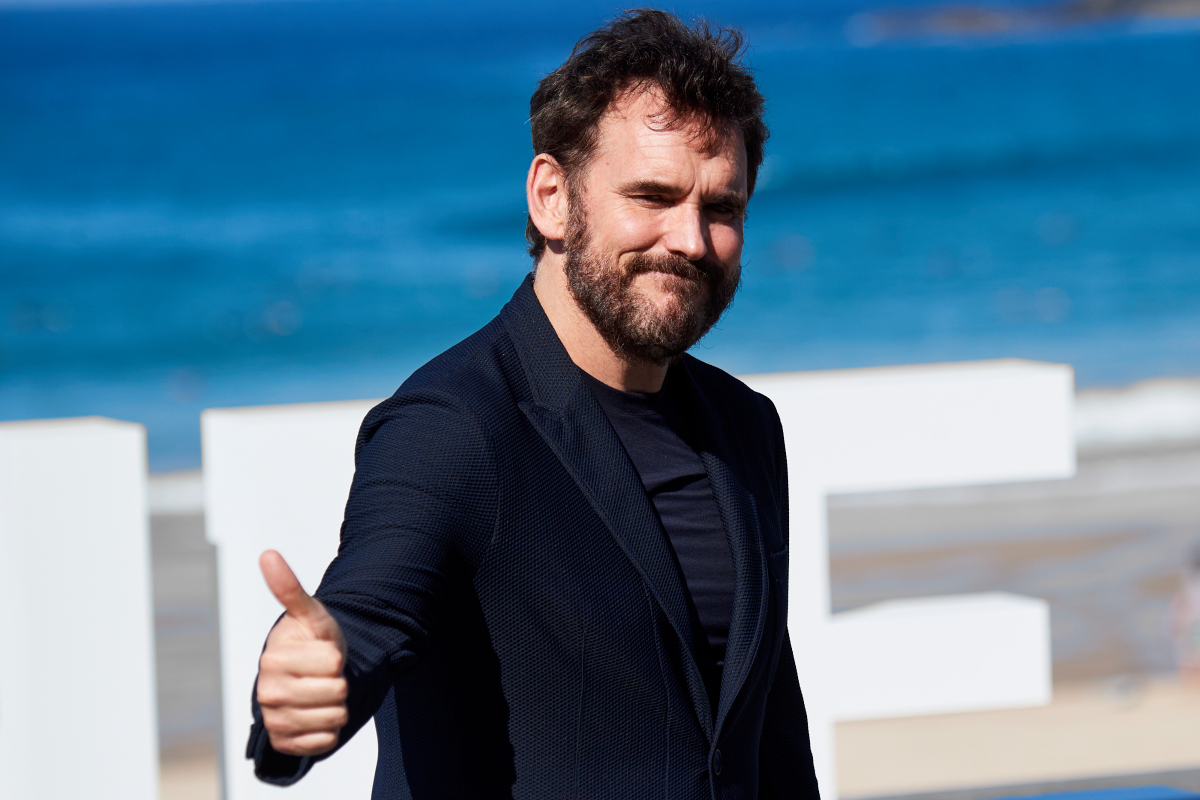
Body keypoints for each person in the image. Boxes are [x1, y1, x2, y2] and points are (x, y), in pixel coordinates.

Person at [250, 9, 820, 798]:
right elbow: (372, 601)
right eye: (652, 195)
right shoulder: (452, 425)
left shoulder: (743, 425)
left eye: (722, 208)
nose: (691, 239)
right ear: (552, 197)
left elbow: (768, 734)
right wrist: (315, 672)